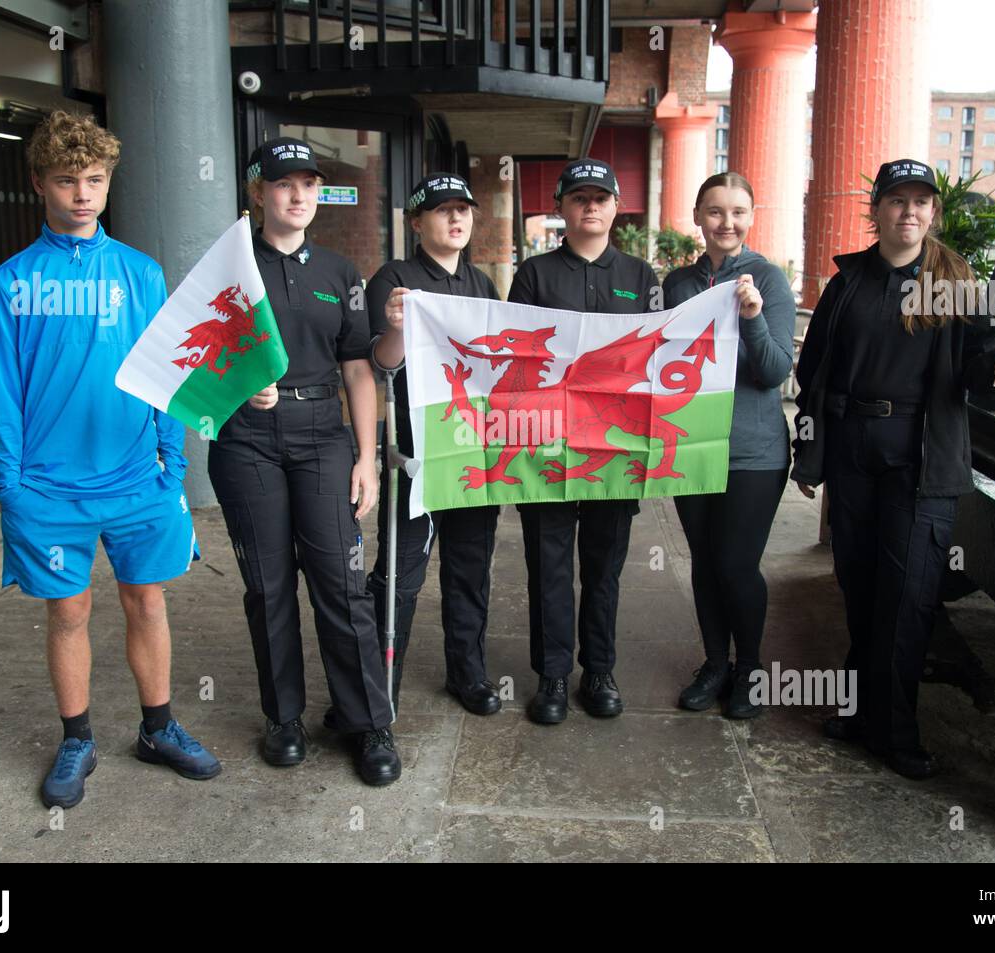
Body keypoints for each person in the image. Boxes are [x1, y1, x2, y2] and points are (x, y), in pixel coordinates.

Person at [0, 110, 219, 810]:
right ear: (39, 184)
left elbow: (169, 375)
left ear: (109, 181)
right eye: (66, 180)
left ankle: (158, 727)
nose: (82, 193)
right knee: (69, 612)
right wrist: (12, 484)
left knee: (147, 600)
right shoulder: (9, 283)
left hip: (138, 476)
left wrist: (171, 465)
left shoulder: (143, 274)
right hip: (49, 487)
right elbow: (4, 390)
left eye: (94, 179)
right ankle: (77, 739)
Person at [791, 159, 995, 780]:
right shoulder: (851, 280)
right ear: (877, 210)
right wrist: (809, 451)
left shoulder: (955, 284)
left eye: (922, 201)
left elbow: (977, 373)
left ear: (934, 213)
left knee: (909, 596)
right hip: (853, 449)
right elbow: (814, 373)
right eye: (897, 200)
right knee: (861, 587)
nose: (909, 212)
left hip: (920, 455)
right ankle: (861, 714)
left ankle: (895, 732)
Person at [207, 137, 399, 786]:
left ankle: (365, 718)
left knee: (341, 583)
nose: (298, 196)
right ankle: (283, 716)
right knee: (267, 588)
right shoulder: (227, 266)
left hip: (323, 435)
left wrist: (368, 456)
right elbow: (194, 357)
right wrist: (237, 380)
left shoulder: (341, 273)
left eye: (309, 185)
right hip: (246, 438)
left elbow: (358, 366)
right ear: (257, 191)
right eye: (284, 184)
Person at [507, 158, 660, 724]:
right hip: (546, 443)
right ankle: (551, 676)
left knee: (603, 566)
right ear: (561, 208)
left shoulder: (642, 277)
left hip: (613, 449)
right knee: (547, 565)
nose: (590, 206)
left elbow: (658, 353)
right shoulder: (534, 275)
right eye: (579, 198)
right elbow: (516, 358)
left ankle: (599, 669)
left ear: (616, 207)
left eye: (600, 197)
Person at [366, 173, 504, 717]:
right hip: (415, 453)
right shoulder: (394, 280)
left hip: (473, 451)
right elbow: (379, 362)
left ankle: (467, 674)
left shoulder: (484, 285)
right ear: (416, 221)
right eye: (442, 211)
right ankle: (380, 685)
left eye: (463, 211)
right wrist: (398, 327)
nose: (455, 219)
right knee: (399, 575)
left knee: (471, 570)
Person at [662, 172, 795, 719]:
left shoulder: (769, 280)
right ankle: (715, 662)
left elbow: (775, 372)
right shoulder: (676, 284)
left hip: (752, 452)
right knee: (704, 562)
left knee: (737, 564)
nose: (727, 222)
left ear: (751, 217)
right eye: (715, 211)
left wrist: (754, 319)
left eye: (738, 212)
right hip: (692, 444)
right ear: (698, 217)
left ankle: (751, 669)